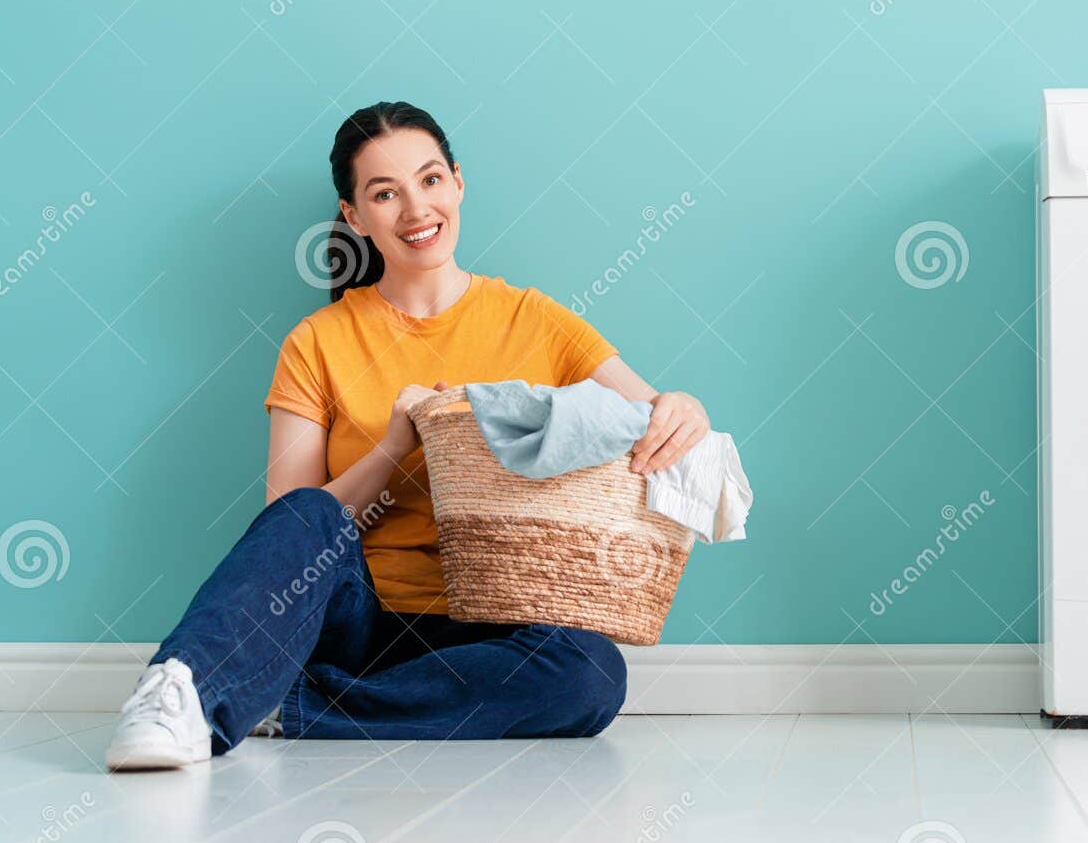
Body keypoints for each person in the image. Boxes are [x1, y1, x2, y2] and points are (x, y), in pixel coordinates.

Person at [105, 101, 709, 770]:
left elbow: (655, 409)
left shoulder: (536, 320)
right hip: (360, 623)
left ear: (456, 182)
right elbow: (290, 526)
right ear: (354, 217)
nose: (415, 209)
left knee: (590, 674)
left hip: (496, 624)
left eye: (428, 180)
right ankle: (181, 691)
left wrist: (682, 405)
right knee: (308, 511)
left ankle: (292, 704)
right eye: (384, 193)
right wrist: (395, 444)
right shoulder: (319, 341)